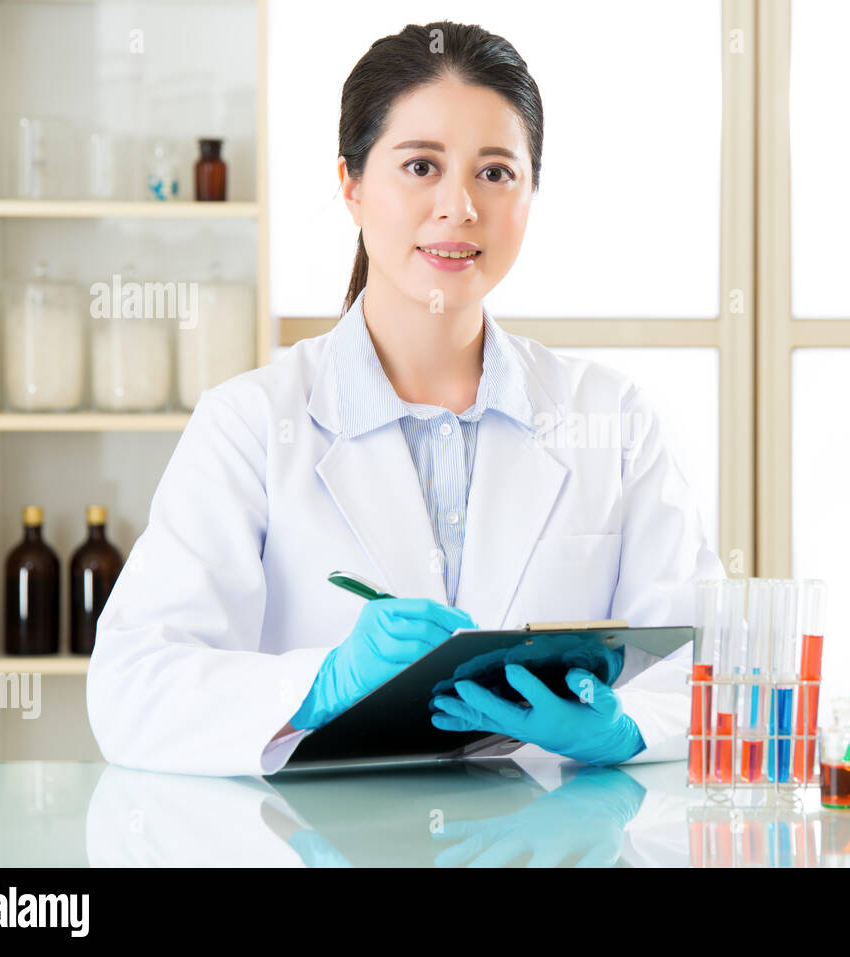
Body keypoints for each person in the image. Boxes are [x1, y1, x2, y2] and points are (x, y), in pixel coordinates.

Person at [86, 20, 724, 777]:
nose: (458, 206)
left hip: (546, 845)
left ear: (530, 193)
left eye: (496, 172)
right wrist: (317, 684)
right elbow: (132, 689)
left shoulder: (613, 420)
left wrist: (630, 730)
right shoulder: (250, 424)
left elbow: (710, 668)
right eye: (421, 166)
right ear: (352, 186)